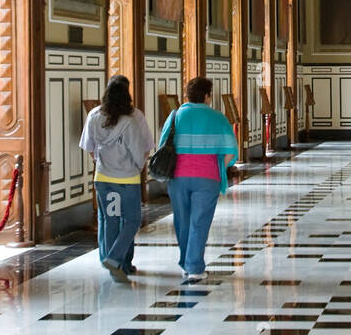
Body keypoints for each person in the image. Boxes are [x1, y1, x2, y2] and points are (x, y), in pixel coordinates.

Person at [159, 76, 239, 279]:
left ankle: (186, 261)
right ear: (207, 96)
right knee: (200, 221)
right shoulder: (218, 118)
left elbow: (162, 145)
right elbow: (231, 150)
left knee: (182, 219)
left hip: (177, 177)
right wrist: (220, 165)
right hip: (207, 178)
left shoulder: (175, 115)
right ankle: (194, 265)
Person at [79, 75, 152, 283]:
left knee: (110, 220)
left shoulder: (94, 115)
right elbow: (142, 151)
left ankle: (111, 262)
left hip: (103, 177)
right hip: (127, 179)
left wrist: (102, 163)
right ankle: (118, 259)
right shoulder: (133, 118)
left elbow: (89, 148)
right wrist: (138, 166)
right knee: (131, 220)